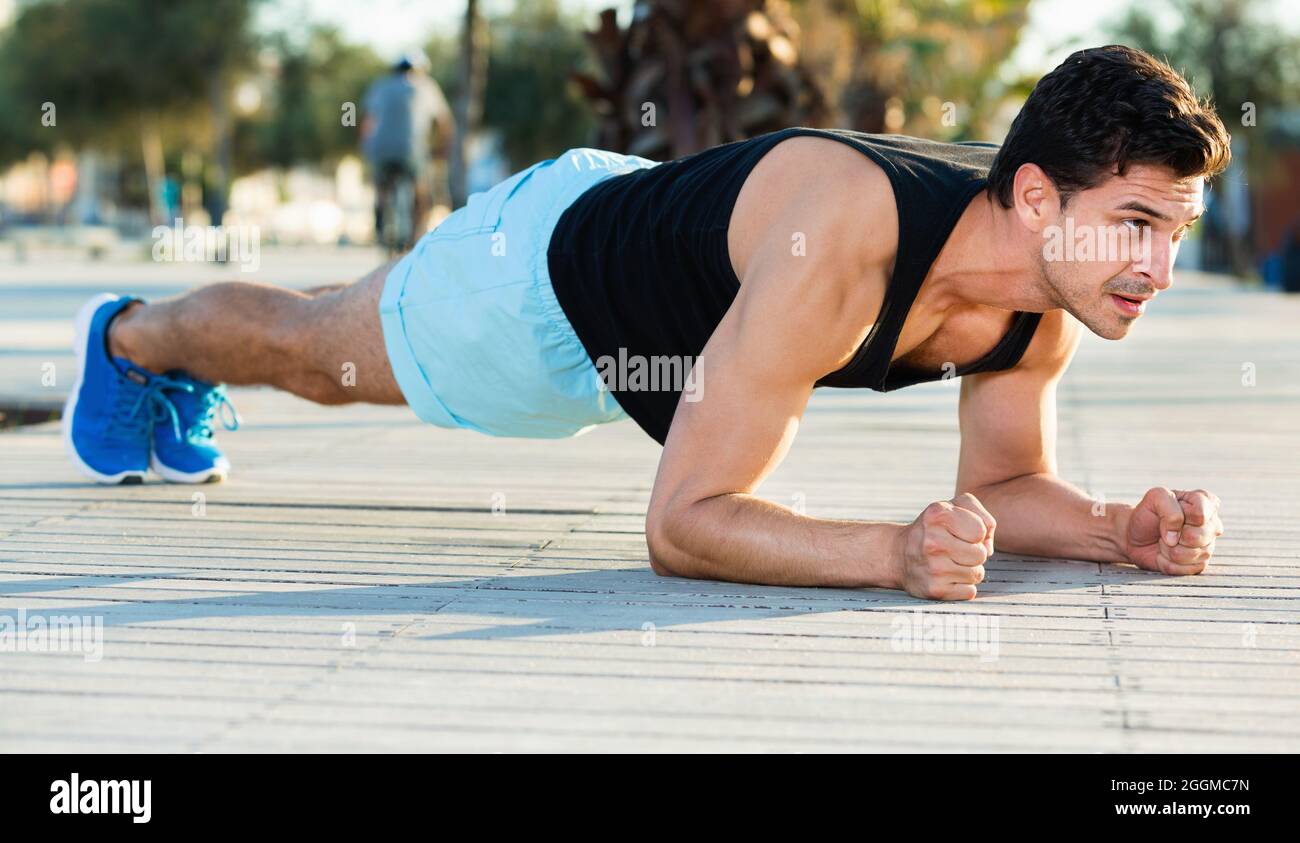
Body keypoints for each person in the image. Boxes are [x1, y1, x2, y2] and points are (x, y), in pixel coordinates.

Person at [62, 46, 1227, 601]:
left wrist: (1117, 527)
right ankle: (128, 343)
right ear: (1036, 197)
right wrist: (889, 551)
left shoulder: (1047, 299)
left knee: (324, 335)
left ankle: (143, 348)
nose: (1157, 267)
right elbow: (685, 525)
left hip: (665, 277)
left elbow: (1011, 484)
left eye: (1173, 232)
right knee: (318, 353)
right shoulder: (851, 238)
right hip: (540, 294)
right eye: (1136, 225)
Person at [360, 50, 454, 251]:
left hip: (381, 149)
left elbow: (367, 120)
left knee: (381, 187)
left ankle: (379, 220)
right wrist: (442, 149)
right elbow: (444, 123)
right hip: (412, 150)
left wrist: (365, 147)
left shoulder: (381, 86)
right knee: (422, 194)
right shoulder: (427, 86)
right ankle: (415, 239)